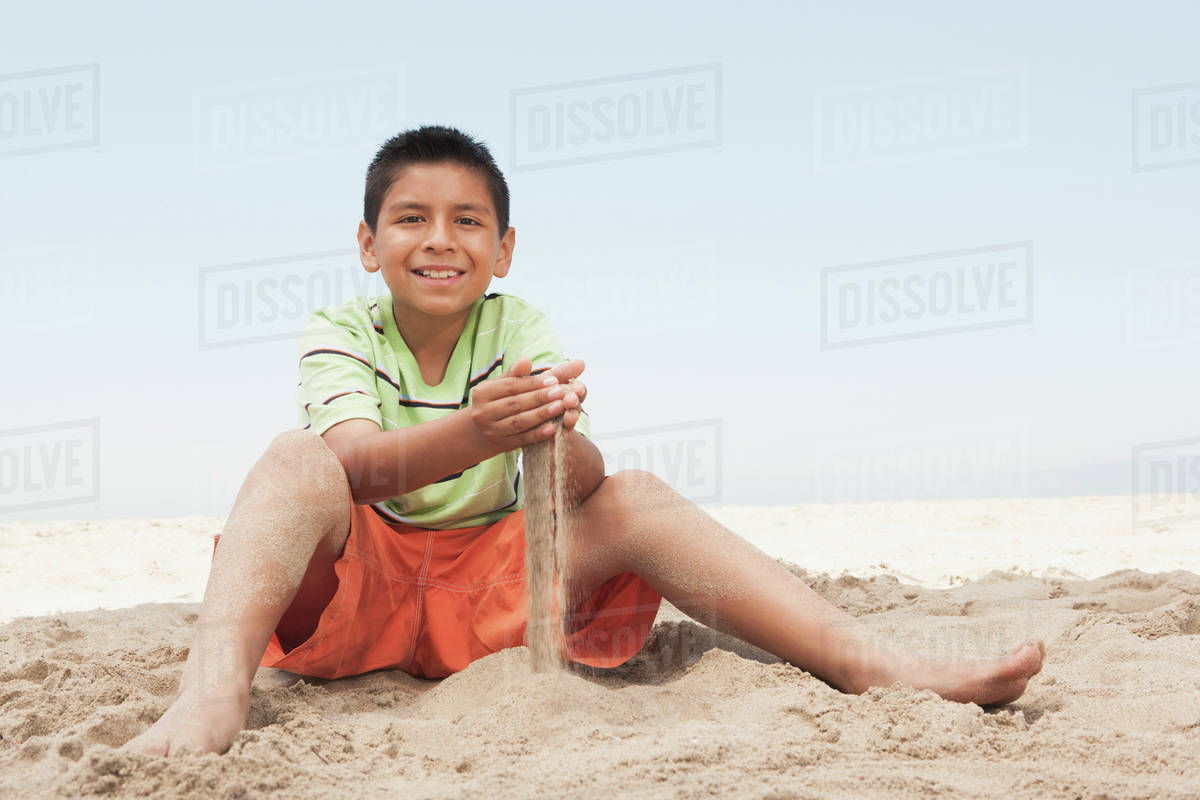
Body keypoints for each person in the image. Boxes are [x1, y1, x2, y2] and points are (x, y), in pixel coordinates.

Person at [124, 125, 1044, 756]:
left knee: (633, 489)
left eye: (468, 221)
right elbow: (356, 464)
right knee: (294, 456)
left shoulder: (520, 326)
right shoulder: (341, 330)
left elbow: (578, 487)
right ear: (368, 243)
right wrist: (477, 430)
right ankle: (213, 693)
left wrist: (554, 442)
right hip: (354, 603)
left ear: (505, 248)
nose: (440, 240)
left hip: (496, 604)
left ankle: (862, 659)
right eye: (411, 218)